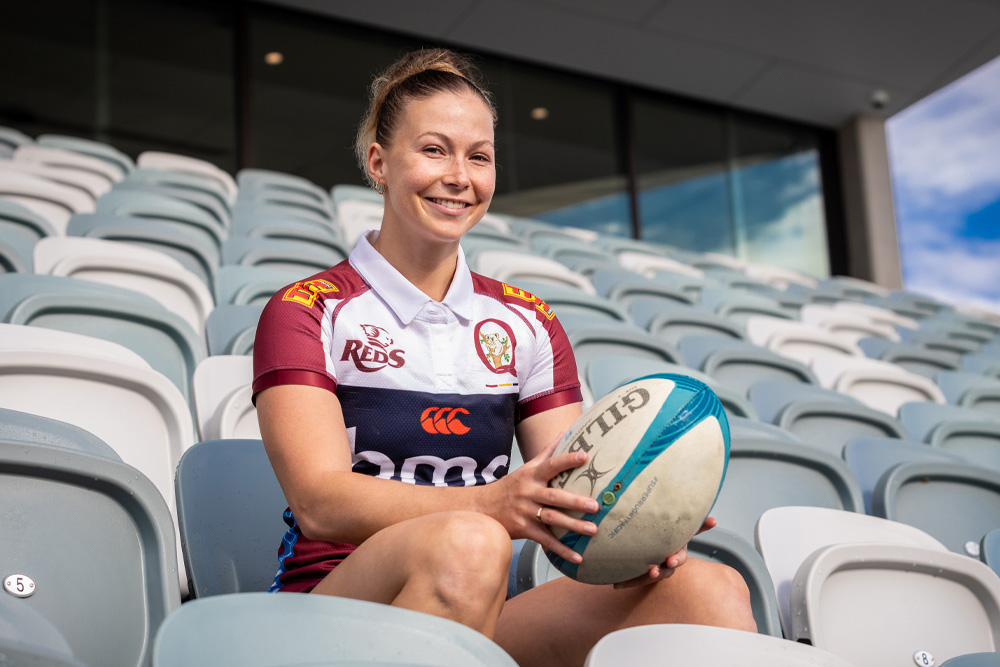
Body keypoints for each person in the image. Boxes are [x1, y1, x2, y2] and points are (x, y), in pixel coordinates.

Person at [252, 47, 755, 666]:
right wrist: (488, 505)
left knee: (710, 591)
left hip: (473, 603)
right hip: (328, 612)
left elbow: (569, 485)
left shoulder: (529, 321)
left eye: (479, 156)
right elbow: (319, 502)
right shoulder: (308, 308)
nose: (459, 175)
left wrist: (637, 525)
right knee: (470, 541)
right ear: (379, 163)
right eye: (434, 150)